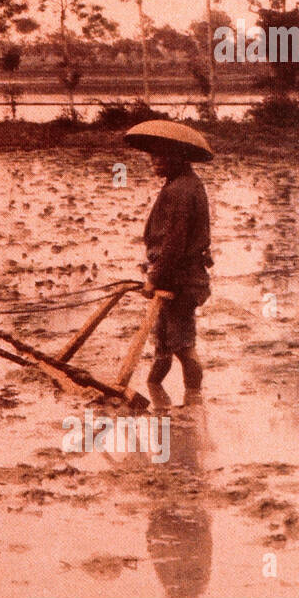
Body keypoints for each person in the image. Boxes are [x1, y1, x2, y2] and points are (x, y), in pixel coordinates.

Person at [124, 121, 214, 394]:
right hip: (175, 277)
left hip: (181, 281)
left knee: (183, 346)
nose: (155, 160)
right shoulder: (181, 184)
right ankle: (154, 389)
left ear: (180, 157)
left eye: (163, 154)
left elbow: (175, 243)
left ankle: (194, 402)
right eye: (153, 154)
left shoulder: (182, 191)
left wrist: (154, 277)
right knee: (163, 345)